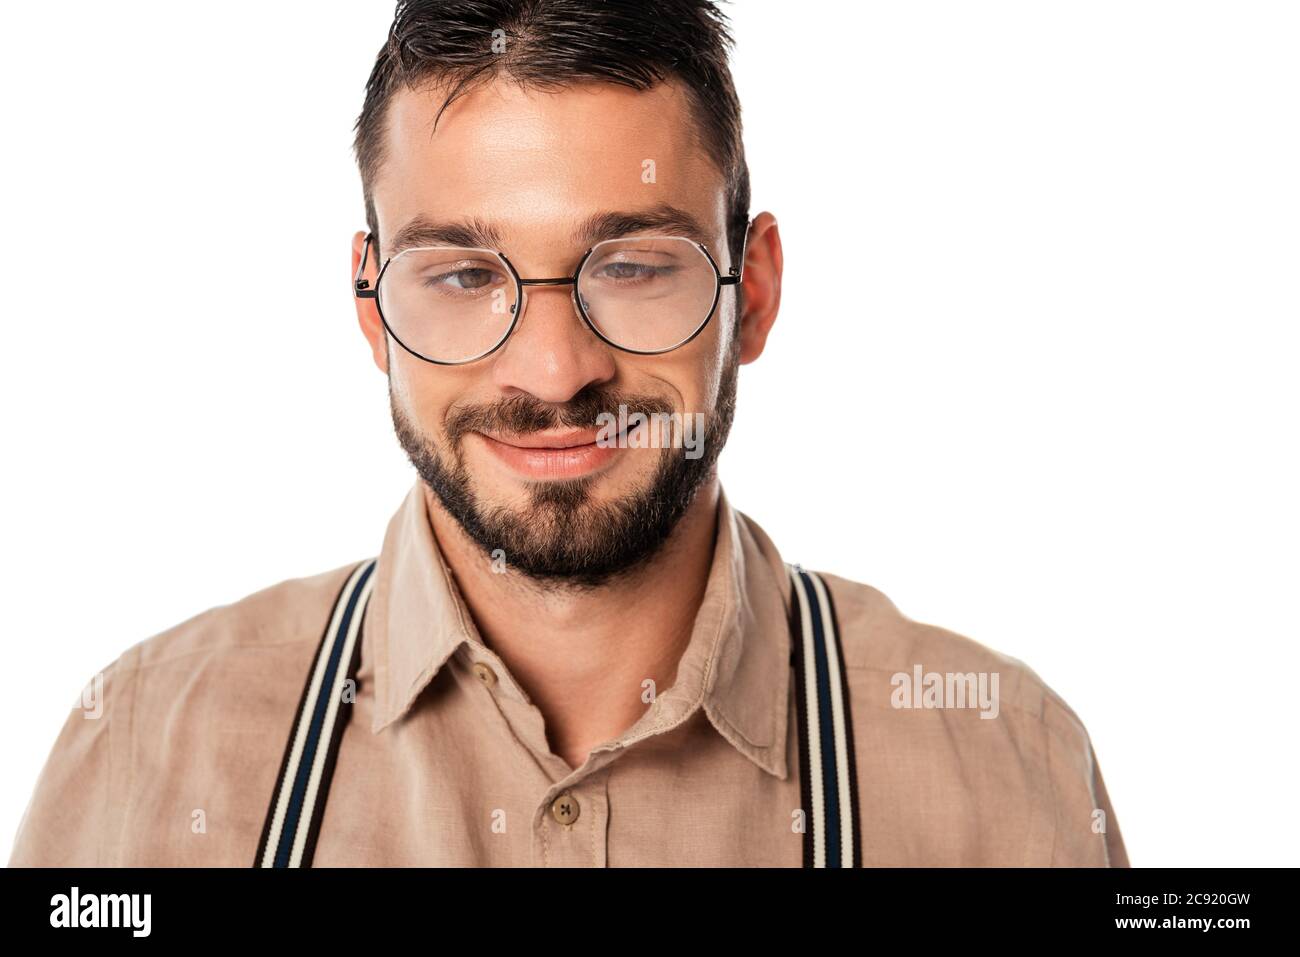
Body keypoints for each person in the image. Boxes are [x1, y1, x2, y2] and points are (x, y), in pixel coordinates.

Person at [9, 0, 1127, 867]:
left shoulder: (1002, 763)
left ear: (758, 292)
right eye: (461, 274)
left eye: (634, 267)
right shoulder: (145, 749)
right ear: (370, 310)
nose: (554, 370)